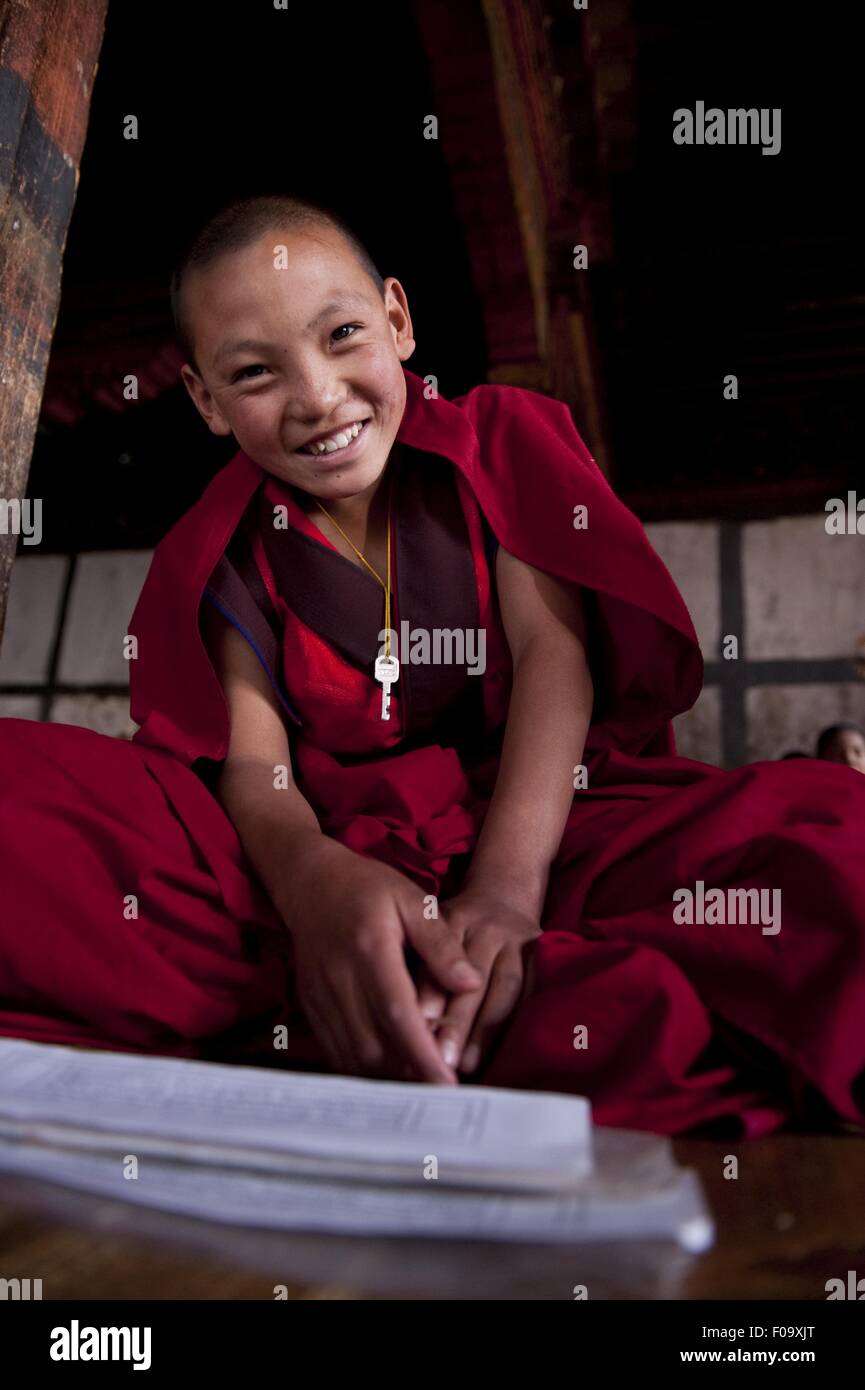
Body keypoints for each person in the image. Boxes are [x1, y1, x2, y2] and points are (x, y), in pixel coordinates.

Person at [3, 195, 865, 1140]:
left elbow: (553, 659)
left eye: (341, 335)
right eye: (254, 373)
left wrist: (502, 895)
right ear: (206, 401)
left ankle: (373, 1015)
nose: (318, 397)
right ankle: (376, 987)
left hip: (546, 823)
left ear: (398, 321)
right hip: (315, 850)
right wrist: (317, 890)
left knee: (833, 838)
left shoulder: (498, 442)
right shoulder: (216, 552)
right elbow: (256, 769)